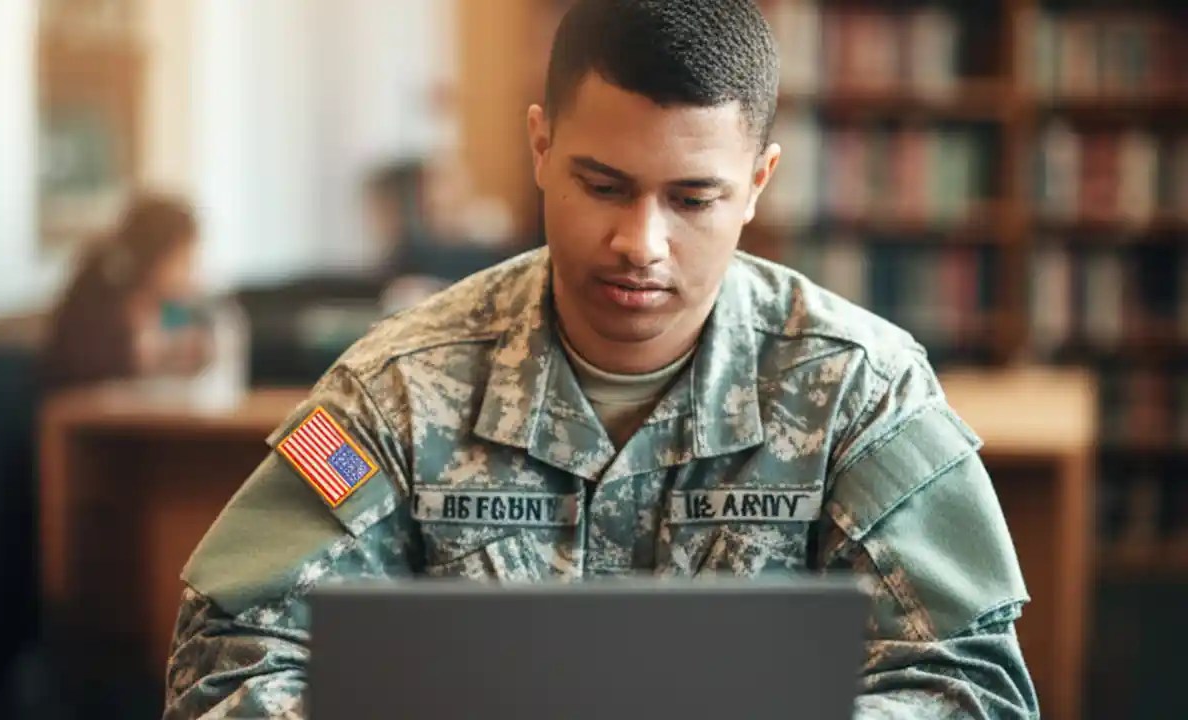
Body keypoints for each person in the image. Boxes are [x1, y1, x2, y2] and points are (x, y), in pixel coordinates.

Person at [164, 1, 1037, 717]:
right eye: (603, 185)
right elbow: (230, 656)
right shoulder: (397, 388)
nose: (640, 244)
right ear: (540, 147)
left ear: (759, 182)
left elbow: (970, 680)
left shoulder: (859, 390)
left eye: (693, 198)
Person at [41, 194, 210, 393]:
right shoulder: (100, 293)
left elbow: (194, 354)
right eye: (183, 261)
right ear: (156, 255)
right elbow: (103, 371)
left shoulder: (167, 305)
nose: (190, 274)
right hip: (82, 414)